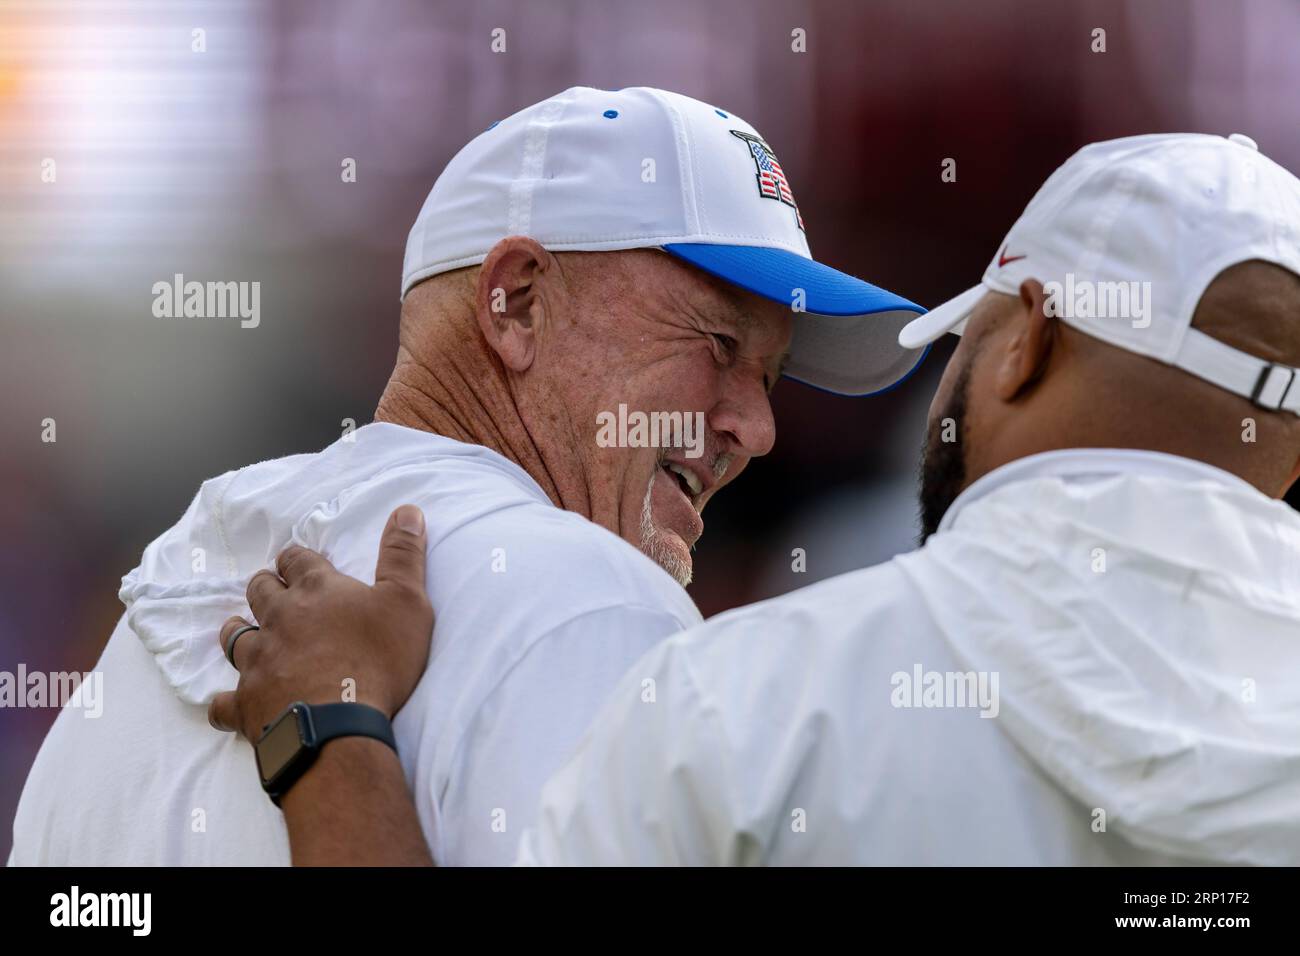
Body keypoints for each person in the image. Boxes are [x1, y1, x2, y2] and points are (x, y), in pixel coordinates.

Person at [216, 132, 1300, 865]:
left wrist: (330, 737)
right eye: (719, 348)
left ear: (1028, 345)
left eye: (962, 341)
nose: (762, 429)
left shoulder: (733, 702)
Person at [7, 86, 926, 866]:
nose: (756, 429)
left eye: (767, 379)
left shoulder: (132, 648)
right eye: (717, 344)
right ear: (515, 300)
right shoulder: (594, 604)